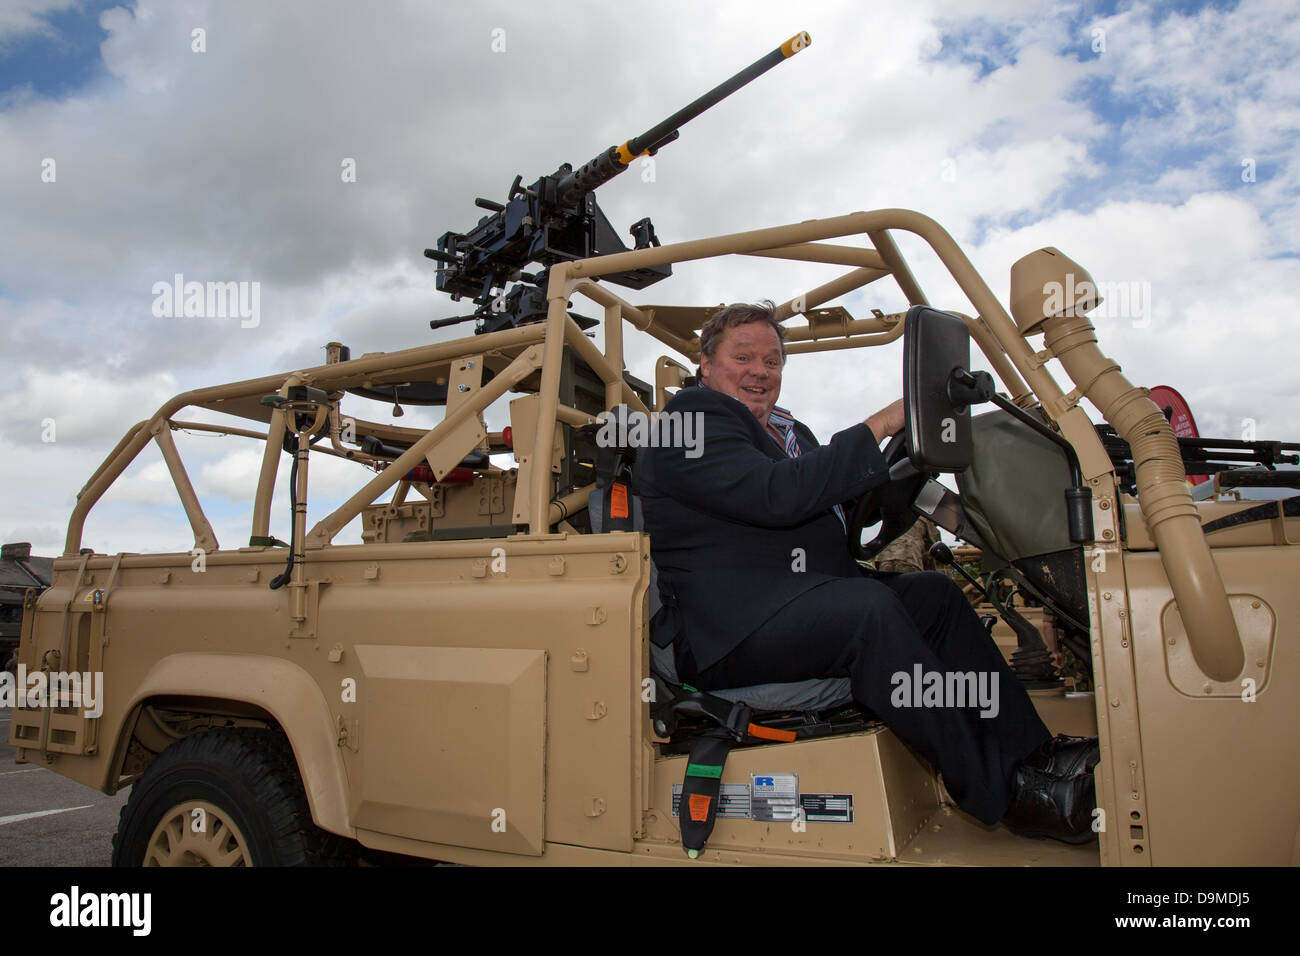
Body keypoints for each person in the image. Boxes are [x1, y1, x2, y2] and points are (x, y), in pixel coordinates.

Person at [636, 301, 1098, 842]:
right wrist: (881, 424)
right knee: (867, 612)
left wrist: (898, 471)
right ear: (706, 364)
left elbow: (831, 516)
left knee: (934, 596)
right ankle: (1004, 793)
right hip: (731, 631)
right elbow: (775, 497)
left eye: (773, 361)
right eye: (744, 357)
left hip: (797, 600)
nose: (761, 372)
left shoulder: (792, 433)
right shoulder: (691, 422)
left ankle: (1033, 755)